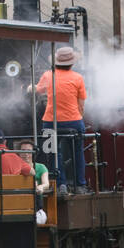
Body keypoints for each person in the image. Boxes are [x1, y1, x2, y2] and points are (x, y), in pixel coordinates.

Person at [34, 46, 88, 198]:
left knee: (52, 152)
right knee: (78, 151)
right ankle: (80, 185)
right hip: (74, 121)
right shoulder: (78, 78)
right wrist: (78, 118)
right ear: (72, 63)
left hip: (51, 122)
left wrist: (28, 88)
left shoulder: (48, 75)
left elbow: (37, 90)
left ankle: (60, 184)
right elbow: (81, 105)